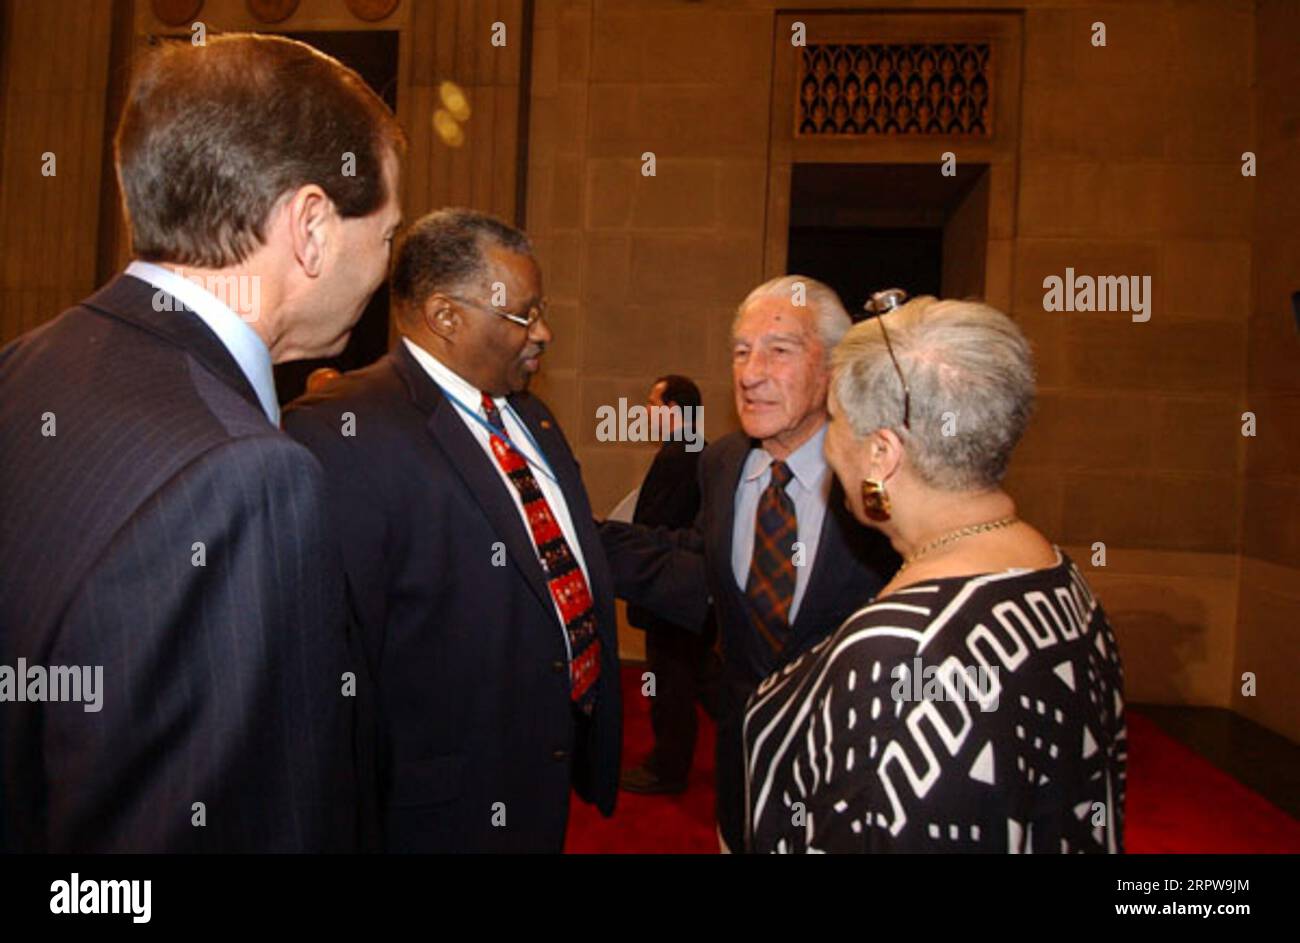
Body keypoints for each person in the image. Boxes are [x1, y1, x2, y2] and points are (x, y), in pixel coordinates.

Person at [0, 34, 404, 851]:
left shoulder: (23, 362)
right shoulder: (244, 479)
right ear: (313, 228)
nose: (385, 267)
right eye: (389, 234)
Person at [283, 209, 621, 852]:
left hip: (540, 769)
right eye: (524, 314)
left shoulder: (531, 416)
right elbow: (333, 673)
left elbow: (561, 548)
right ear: (446, 317)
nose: (543, 332)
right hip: (441, 811)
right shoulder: (341, 432)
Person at [744, 296, 1126, 853]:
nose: (827, 444)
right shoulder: (1052, 569)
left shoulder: (903, 655)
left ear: (882, 455)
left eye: (836, 420)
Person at [600, 275, 899, 850]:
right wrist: (576, 539)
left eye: (779, 351)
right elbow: (704, 561)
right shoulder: (721, 464)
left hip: (856, 785)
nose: (750, 372)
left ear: (833, 366)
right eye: (741, 352)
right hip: (745, 780)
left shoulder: (880, 474)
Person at [620, 375, 721, 795]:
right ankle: (749, 733)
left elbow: (659, 521)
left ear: (675, 410)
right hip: (689, 587)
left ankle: (667, 769)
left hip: (671, 585)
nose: (646, 412)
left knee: (670, 681)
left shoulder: (681, 455)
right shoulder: (699, 449)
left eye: (653, 403)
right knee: (700, 675)